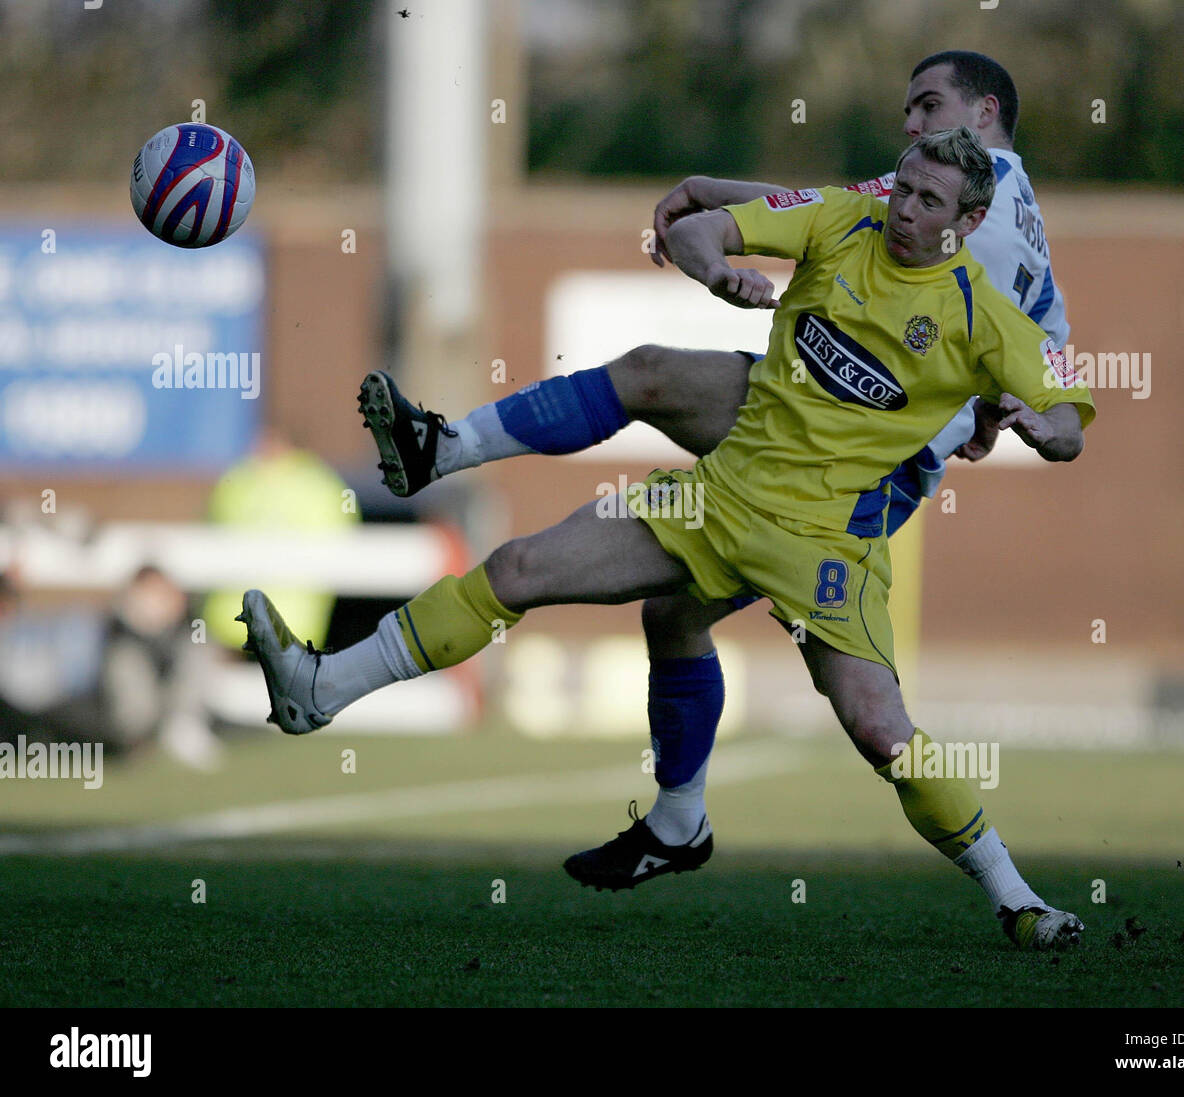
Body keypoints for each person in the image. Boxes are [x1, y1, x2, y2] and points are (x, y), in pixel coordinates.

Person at [242, 126, 1095, 949]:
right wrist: (720, 272)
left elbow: (1068, 424)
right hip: (715, 505)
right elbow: (702, 230)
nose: (904, 207)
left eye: (927, 199)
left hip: (826, 549)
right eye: (903, 185)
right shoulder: (842, 217)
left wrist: (1035, 423)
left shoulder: (985, 319)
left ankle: (1018, 900)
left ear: (967, 222)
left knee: (882, 731)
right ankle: (321, 687)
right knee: (520, 566)